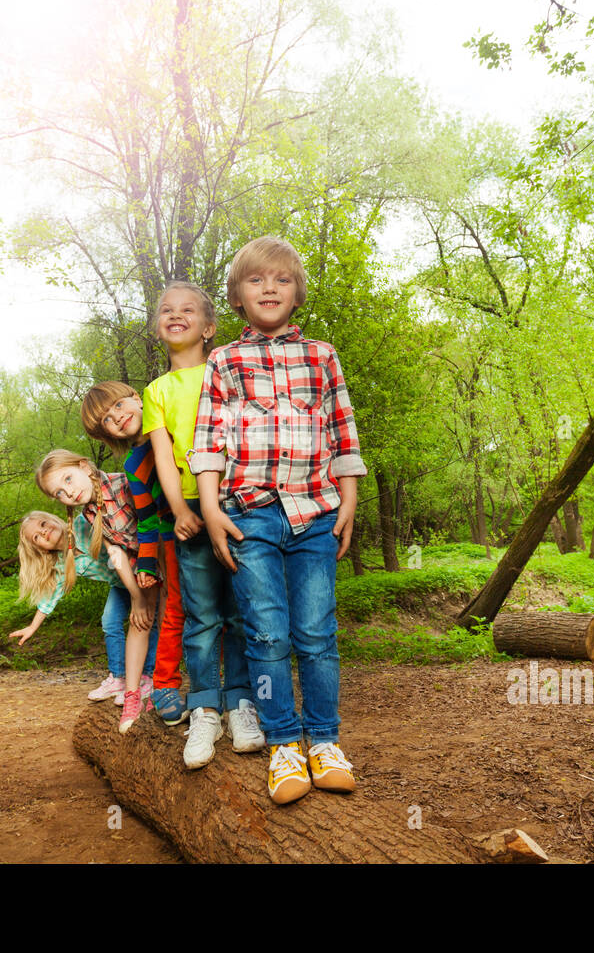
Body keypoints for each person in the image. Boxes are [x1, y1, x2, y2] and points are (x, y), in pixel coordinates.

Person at [189, 236, 366, 805]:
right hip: (249, 518)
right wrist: (210, 510)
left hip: (316, 514)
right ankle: (284, 744)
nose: (270, 288)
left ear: (297, 293)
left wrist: (349, 502)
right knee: (265, 633)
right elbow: (208, 442)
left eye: (282, 280)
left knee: (316, 634)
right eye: (256, 280)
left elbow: (343, 433)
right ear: (238, 298)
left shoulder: (322, 356)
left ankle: (324, 739)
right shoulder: (224, 361)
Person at [144, 281, 264, 768]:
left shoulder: (227, 369)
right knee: (201, 617)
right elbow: (164, 459)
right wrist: (181, 512)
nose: (176, 315)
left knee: (241, 614)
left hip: (239, 502)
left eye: (188, 309)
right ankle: (205, 708)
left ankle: (240, 704)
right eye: (167, 311)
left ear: (208, 327)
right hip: (192, 510)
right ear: (159, 327)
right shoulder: (156, 391)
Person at [80, 380, 188, 726]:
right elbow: (146, 520)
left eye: (117, 406)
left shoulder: (176, 426)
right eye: (107, 420)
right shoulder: (133, 466)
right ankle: (146, 690)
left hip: (212, 519)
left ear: (136, 397)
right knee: (170, 613)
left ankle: (230, 696)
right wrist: (145, 563)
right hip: (170, 538)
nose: (117, 417)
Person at [37, 449, 158, 733]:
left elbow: (154, 526)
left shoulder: (124, 483)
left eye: (68, 479)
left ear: (83, 466)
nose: (68, 492)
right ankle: (132, 696)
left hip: (163, 555)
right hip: (137, 568)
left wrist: (150, 574)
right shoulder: (91, 514)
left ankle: (164, 688)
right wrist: (138, 598)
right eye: (59, 493)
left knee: (173, 622)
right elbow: (116, 555)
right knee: (139, 621)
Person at [9, 510, 156, 711]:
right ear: (40, 549)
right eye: (36, 537)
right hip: (121, 586)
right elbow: (50, 597)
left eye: (43, 524)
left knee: (147, 620)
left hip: (140, 573)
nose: (44, 533)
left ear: (53, 518)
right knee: (109, 621)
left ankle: (148, 676)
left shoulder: (83, 523)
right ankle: (119, 678)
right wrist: (32, 627)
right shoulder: (61, 563)